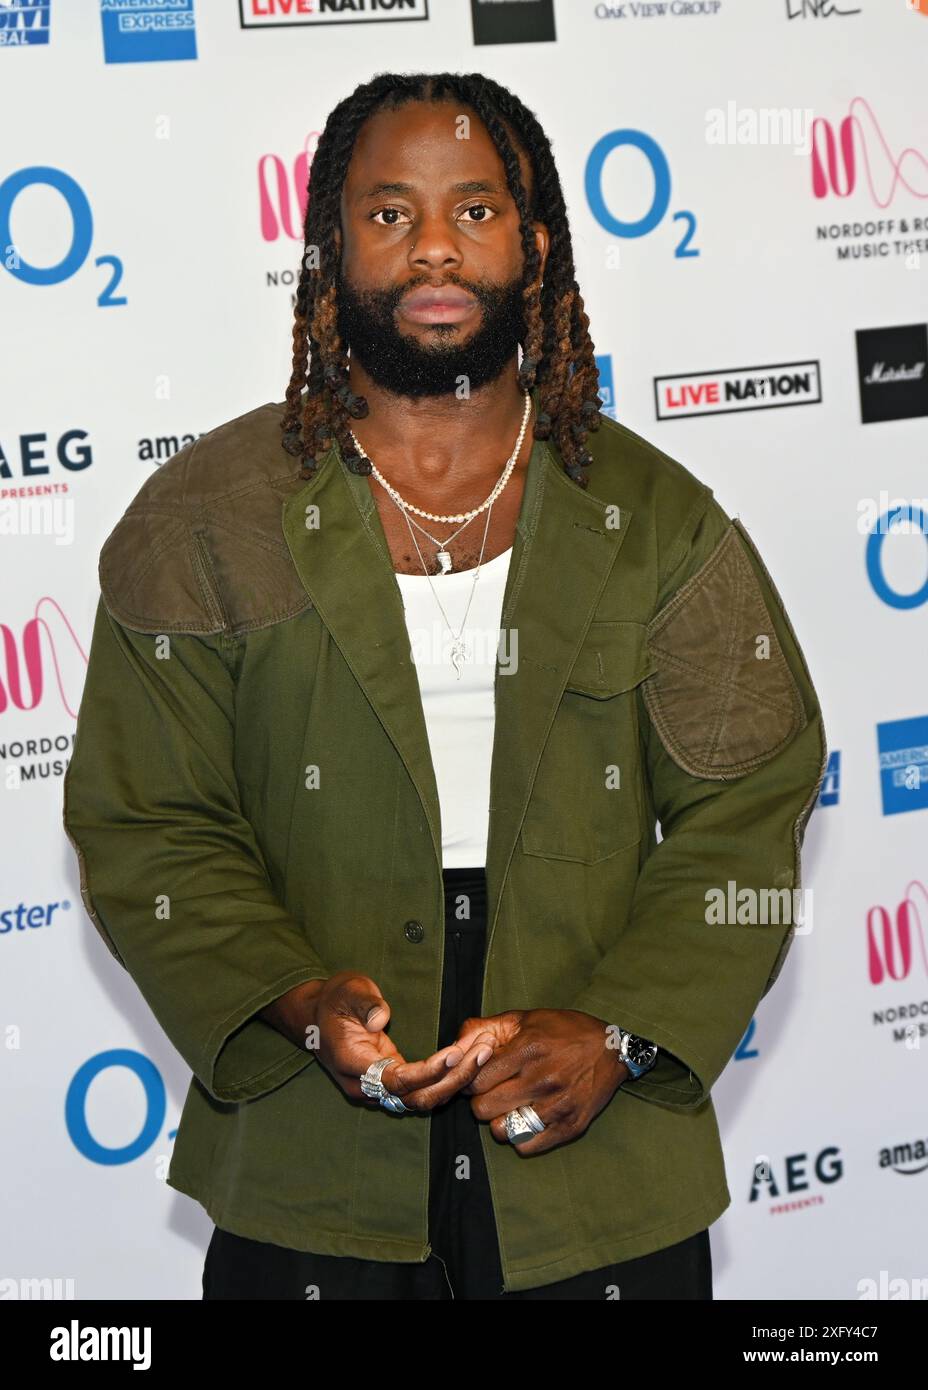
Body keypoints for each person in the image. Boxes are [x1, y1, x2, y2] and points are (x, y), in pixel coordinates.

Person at [62, 71, 828, 1300]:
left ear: (533, 249)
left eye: (474, 210)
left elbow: (748, 807)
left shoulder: (659, 521)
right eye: (387, 213)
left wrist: (619, 1033)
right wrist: (300, 1001)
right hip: (308, 1169)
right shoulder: (204, 519)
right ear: (328, 246)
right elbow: (147, 823)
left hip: (598, 1175)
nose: (431, 246)